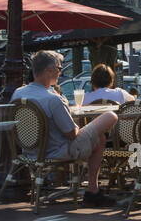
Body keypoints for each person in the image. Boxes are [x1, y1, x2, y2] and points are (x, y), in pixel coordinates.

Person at [12, 51, 118, 207]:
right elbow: (72, 134)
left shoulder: (18, 93)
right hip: (57, 151)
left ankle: (93, 191)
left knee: (99, 138)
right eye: (59, 68)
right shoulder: (53, 99)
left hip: (30, 151)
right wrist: (81, 126)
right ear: (49, 70)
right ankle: (92, 191)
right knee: (111, 116)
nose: (60, 72)